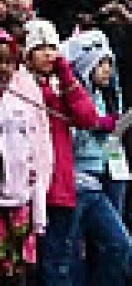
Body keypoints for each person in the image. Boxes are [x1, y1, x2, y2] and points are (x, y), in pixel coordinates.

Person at [22, 20, 100, 285]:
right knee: (42, 266)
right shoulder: (25, 87)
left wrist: (65, 75)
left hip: (62, 187)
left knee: (59, 262)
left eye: (53, 48)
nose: (48, 54)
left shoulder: (60, 86)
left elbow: (88, 118)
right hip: (34, 188)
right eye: (40, 48)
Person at [0, 31, 50, 285]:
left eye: (10, 62)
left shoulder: (23, 97)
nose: (4, 69)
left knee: (18, 272)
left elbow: (35, 148)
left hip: (20, 197)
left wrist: (37, 199)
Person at [61, 30, 132, 285]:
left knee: (119, 245)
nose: (107, 71)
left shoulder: (107, 95)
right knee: (70, 254)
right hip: (76, 181)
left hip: (101, 178)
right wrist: (94, 125)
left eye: (110, 64)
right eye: (101, 64)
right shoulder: (72, 95)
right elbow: (69, 138)